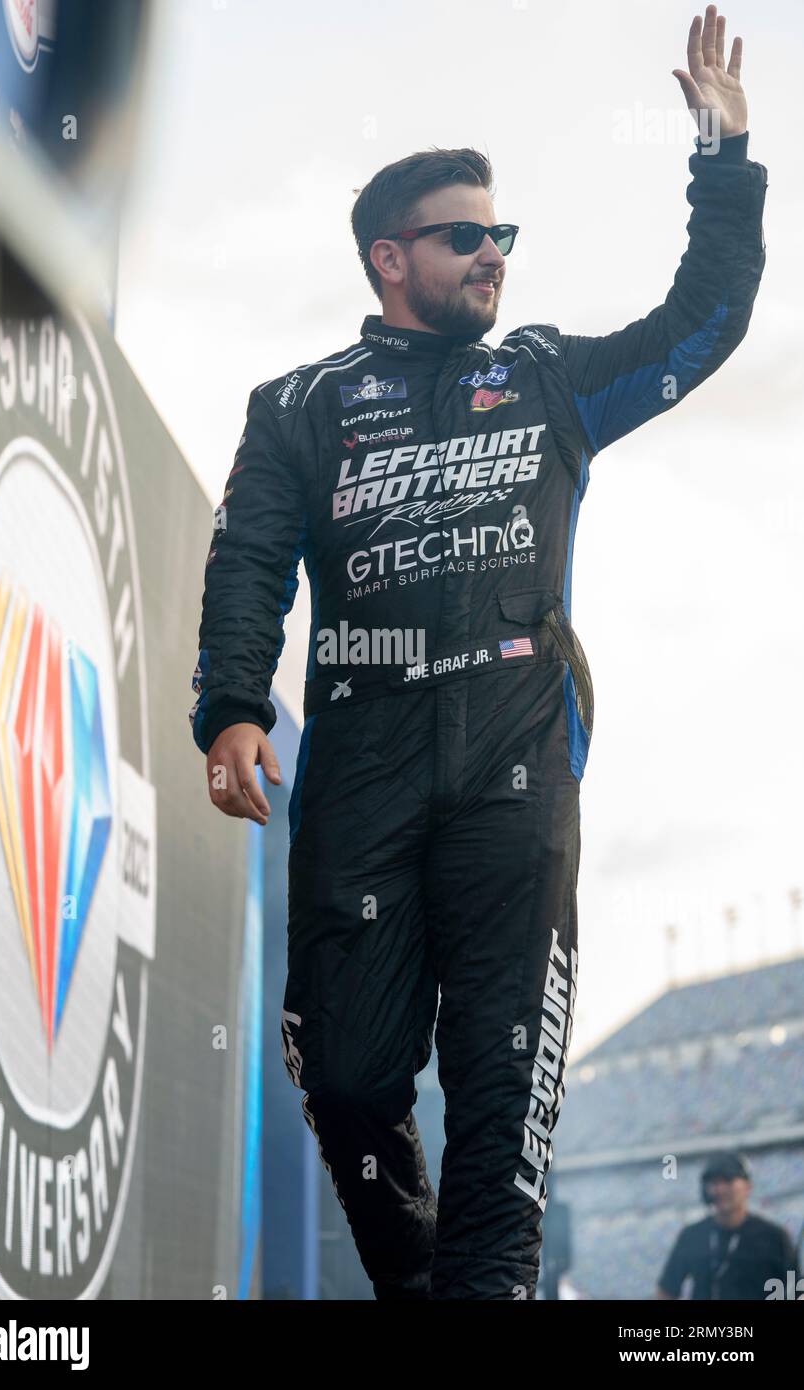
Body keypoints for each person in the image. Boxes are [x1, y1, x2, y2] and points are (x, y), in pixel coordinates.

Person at [190, 6, 767, 1299]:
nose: (493, 253)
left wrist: (721, 162)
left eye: (502, 234)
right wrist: (231, 703)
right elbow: (247, 561)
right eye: (465, 236)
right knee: (347, 1079)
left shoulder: (549, 376)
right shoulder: (297, 407)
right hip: (362, 764)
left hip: (516, 763)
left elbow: (702, 321)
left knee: (501, 1104)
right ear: (389, 257)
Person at [656, 1153, 802, 1300]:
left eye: (728, 1181)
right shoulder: (692, 1236)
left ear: (748, 1186)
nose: (720, 1190)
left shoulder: (773, 1237)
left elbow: (796, 1293)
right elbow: (666, 1292)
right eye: (714, 1183)